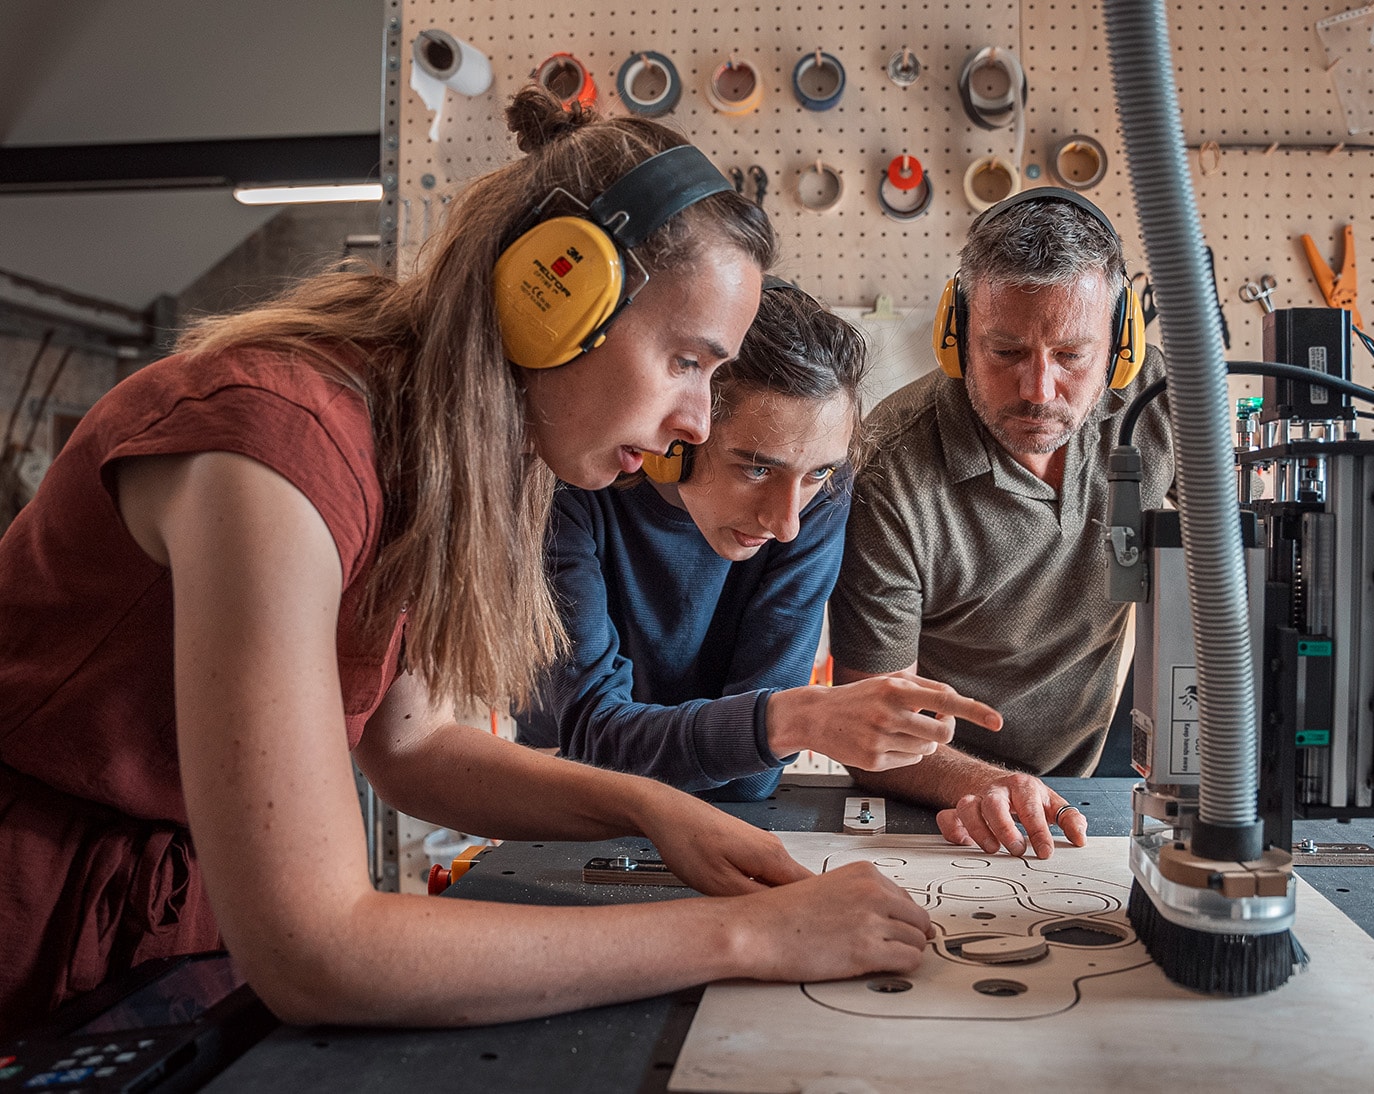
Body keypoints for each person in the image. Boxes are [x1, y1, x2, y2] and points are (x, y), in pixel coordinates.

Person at [0, 87, 935, 1037]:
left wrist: (655, 810)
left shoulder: (433, 452)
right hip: (31, 927)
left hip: (170, 939)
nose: (695, 422)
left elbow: (414, 750)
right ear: (556, 295)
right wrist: (748, 937)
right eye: (688, 362)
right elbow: (317, 952)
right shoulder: (270, 449)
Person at [517, 282, 1000, 799]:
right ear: (679, 434)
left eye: (817, 473)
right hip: (565, 805)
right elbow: (590, 743)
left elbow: (751, 781)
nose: (787, 524)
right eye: (755, 468)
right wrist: (788, 722)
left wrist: (769, 727)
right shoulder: (566, 489)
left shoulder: (822, 496)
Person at [829, 187, 1176, 861]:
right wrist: (991, 783)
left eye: (1073, 355)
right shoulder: (888, 473)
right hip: (942, 779)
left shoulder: (1161, 407)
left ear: (1121, 344)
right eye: (1006, 351)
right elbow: (873, 735)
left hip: (1112, 752)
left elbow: (1223, 603)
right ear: (955, 338)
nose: (1038, 390)